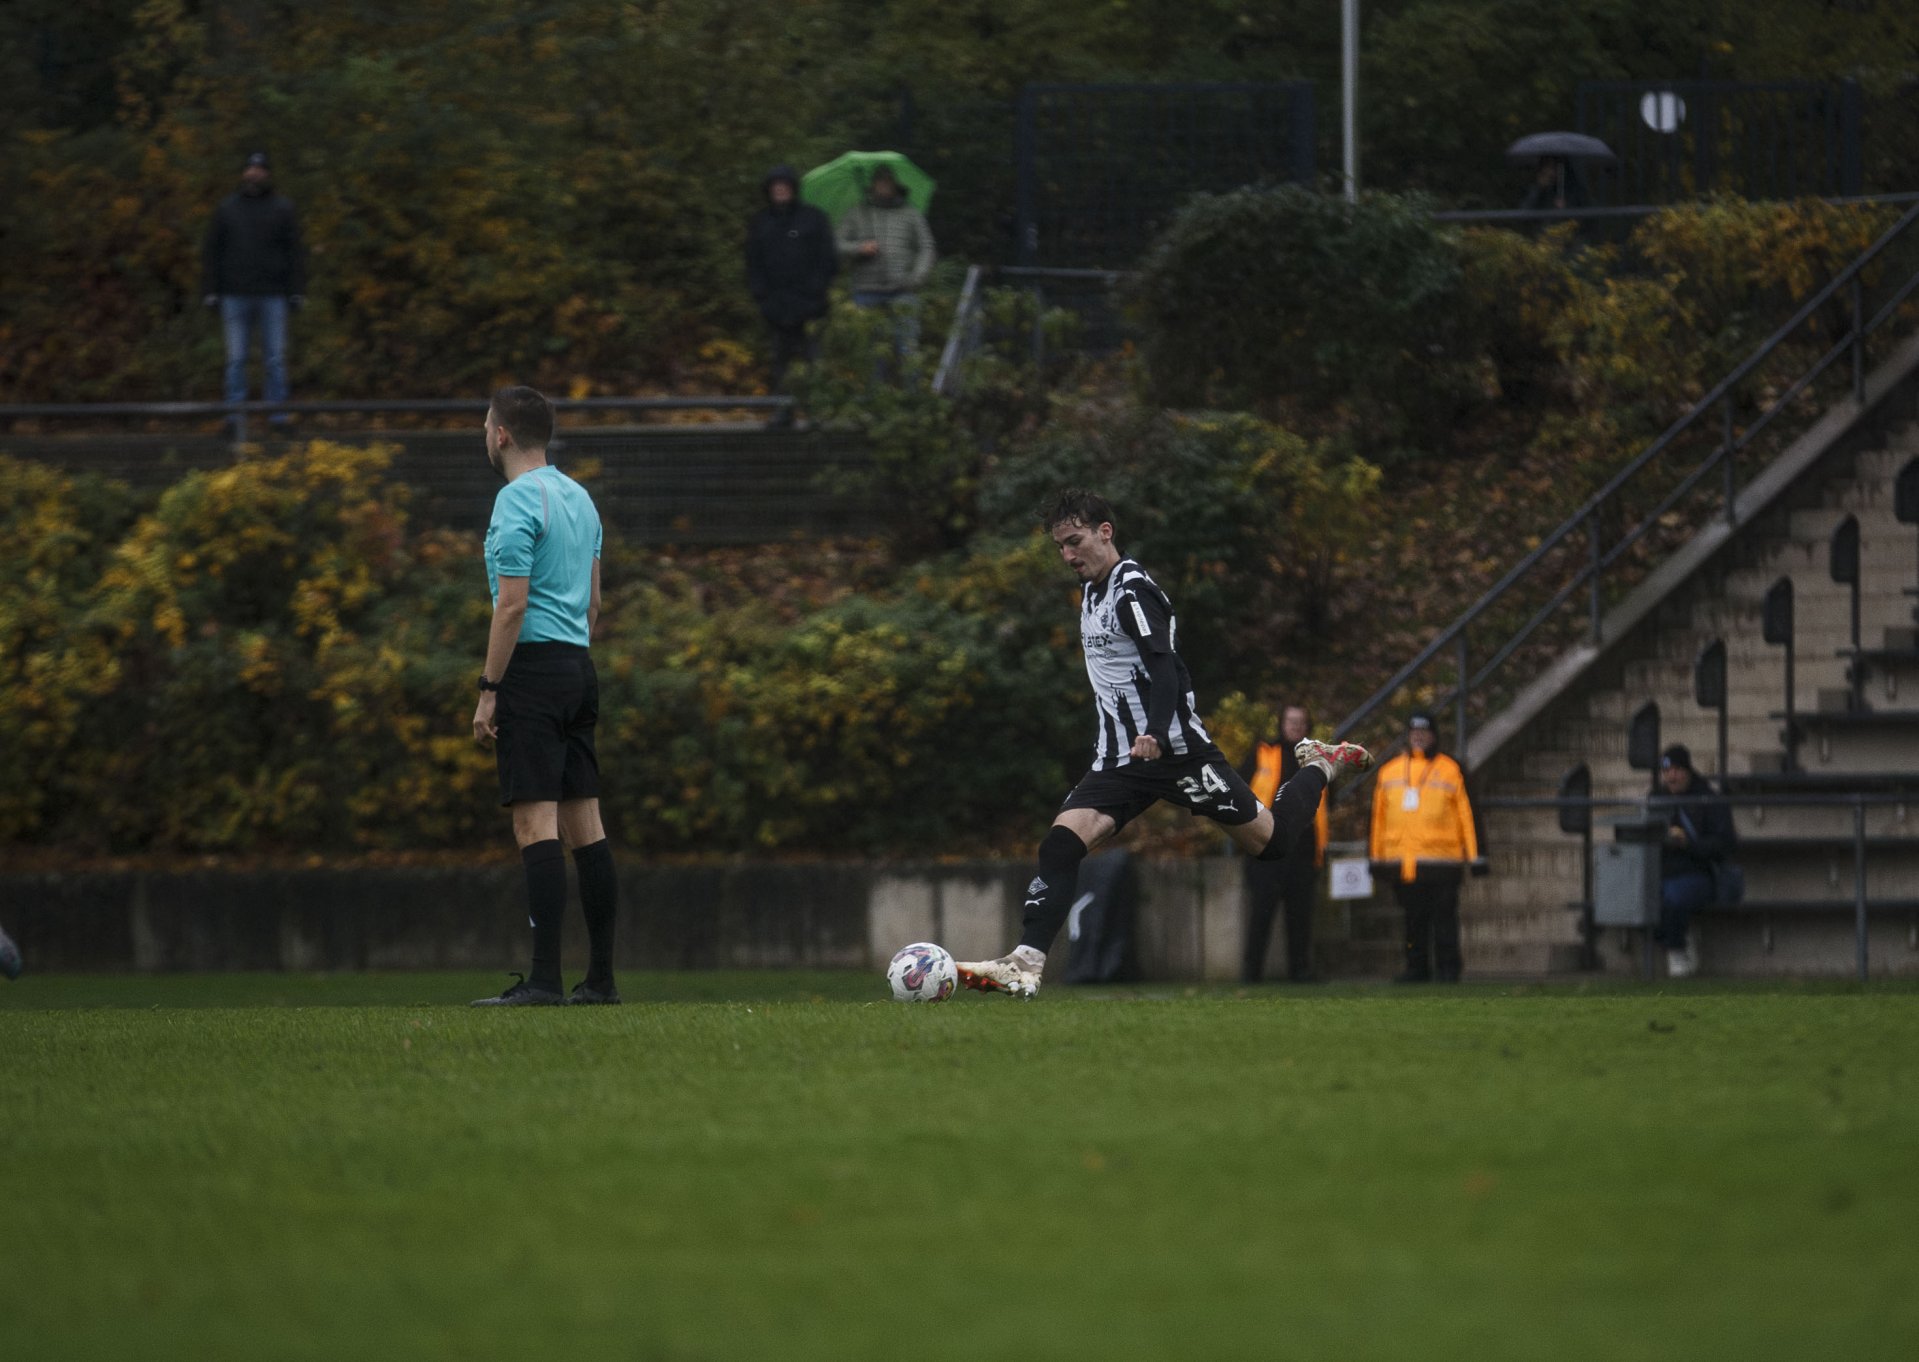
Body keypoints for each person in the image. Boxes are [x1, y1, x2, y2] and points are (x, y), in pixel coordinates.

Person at [956, 491, 1373, 998]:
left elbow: (1165, 668)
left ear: (1104, 532)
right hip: (1120, 761)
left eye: (1075, 541)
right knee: (1060, 844)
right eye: (1060, 547)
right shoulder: (1092, 591)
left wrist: (1153, 730)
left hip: (1176, 753)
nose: (1067, 555)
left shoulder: (1133, 592)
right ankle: (1025, 963)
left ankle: (1320, 766)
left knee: (1274, 844)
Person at [469, 386, 622, 1007]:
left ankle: (543, 981)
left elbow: (511, 604)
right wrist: (568, 657)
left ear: (501, 434)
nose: (483, 434)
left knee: (536, 821)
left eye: (485, 425)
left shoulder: (514, 500)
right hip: (578, 666)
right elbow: (593, 603)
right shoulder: (580, 498)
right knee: (586, 822)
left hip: (531, 671)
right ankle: (602, 980)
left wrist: (489, 690)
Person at [1370, 712, 1482, 983]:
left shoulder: (1451, 768)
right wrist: (1375, 857)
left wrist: (1476, 855)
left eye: (1424, 732)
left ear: (1434, 735)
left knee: (1445, 920)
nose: (1419, 737)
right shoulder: (1390, 770)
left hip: (1444, 861)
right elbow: (1378, 818)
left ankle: (1448, 969)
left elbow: (1468, 814)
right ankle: (1416, 969)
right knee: (1413, 921)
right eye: (1414, 733)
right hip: (1405, 862)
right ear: (1408, 736)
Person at [201, 152, 306, 428]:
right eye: (250, 168)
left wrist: (296, 291)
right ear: (243, 173)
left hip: (273, 295)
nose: (254, 173)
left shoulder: (283, 208)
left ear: (267, 174)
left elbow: (295, 252)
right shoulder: (227, 209)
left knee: (274, 359)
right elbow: (212, 251)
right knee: (236, 359)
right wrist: (210, 290)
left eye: (259, 169)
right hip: (234, 295)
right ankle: (235, 416)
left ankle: (278, 416)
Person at [1238, 705, 1329, 983]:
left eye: (1301, 722)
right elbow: (1239, 791)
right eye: (1291, 721)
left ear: (1307, 726)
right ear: (1282, 724)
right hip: (1266, 849)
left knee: (1300, 917)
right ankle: (1251, 973)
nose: (1296, 727)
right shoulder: (1262, 752)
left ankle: (1300, 970)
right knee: (1260, 915)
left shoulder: (1317, 761)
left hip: (1303, 851)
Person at [744, 164, 838, 412]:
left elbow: (827, 259)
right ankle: (782, 413)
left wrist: (816, 291)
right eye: (776, 186)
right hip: (777, 307)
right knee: (780, 362)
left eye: (785, 186)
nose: (780, 190)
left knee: (814, 361)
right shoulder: (760, 222)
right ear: (769, 190)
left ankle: (818, 413)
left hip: (811, 306)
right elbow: (753, 263)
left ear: (793, 189)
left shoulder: (814, 218)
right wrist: (762, 297)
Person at [835, 165, 936, 371]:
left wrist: (917, 277)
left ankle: (911, 398)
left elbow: (927, 247)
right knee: (870, 352)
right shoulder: (857, 213)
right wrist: (859, 248)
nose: (884, 186)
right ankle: (873, 398)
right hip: (866, 291)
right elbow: (836, 244)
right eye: (880, 182)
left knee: (908, 349)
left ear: (896, 186)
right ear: (872, 185)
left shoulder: (911, 214)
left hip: (903, 290)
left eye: (888, 182)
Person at [1652, 744, 1736, 979]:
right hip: (1663, 872)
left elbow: (1725, 844)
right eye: (1667, 771)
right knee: (1642, 895)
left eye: (1677, 770)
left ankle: (1676, 949)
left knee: (1674, 897)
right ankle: (1677, 938)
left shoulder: (1708, 800)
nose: (1672, 776)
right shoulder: (1656, 799)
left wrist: (1688, 844)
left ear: (1688, 771)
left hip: (1699, 873)